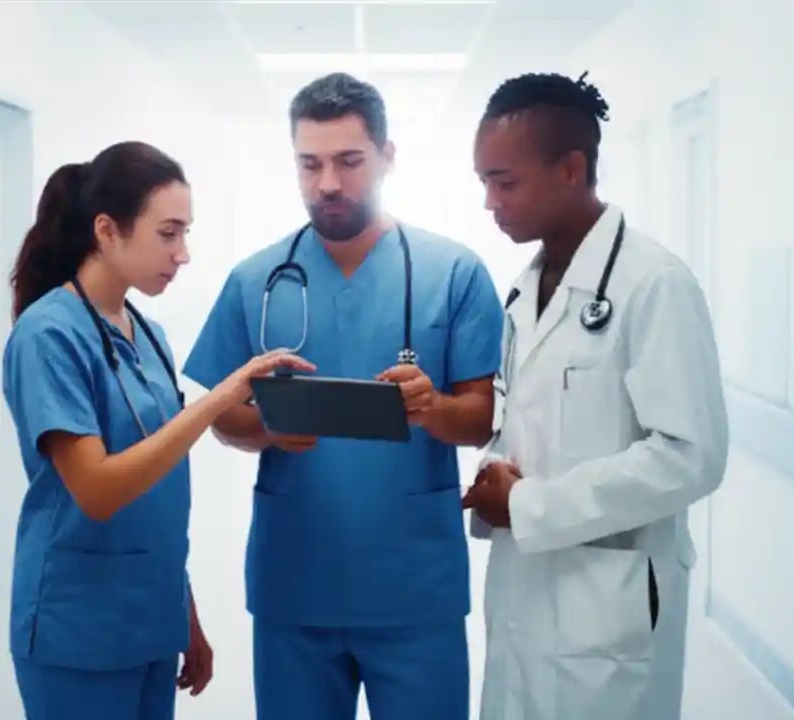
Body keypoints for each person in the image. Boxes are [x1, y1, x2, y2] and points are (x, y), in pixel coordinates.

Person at [181, 72, 505, 720]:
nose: (328, 181)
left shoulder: (454, 273)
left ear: (388, 158)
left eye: (349, 161)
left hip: (414, 591)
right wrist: (268, 430)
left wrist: (432, 408)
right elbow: (224, 420)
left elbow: (481, 420)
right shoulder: (256, 280)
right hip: (295, 586)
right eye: (310, 163)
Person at [1, 141, 314, 720]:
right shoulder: (48, 336)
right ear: (107, 231)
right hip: (79, 628)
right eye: (168, 233)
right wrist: (219, 397)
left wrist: (183, 617)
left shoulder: (147, 335)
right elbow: (98, 490)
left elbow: (157, 496)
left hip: (149, 622)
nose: (183, 254)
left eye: (185, 233)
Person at [463, 72, 730, 719]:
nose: (491, 203)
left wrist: (528, 503)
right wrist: (495, 476)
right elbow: (533, 426)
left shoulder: (654, 285)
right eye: (484, 184)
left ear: (571, 169)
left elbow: (691, 456)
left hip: (609, 607)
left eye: (506, 182)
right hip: (529, 596)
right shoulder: (526, 291)